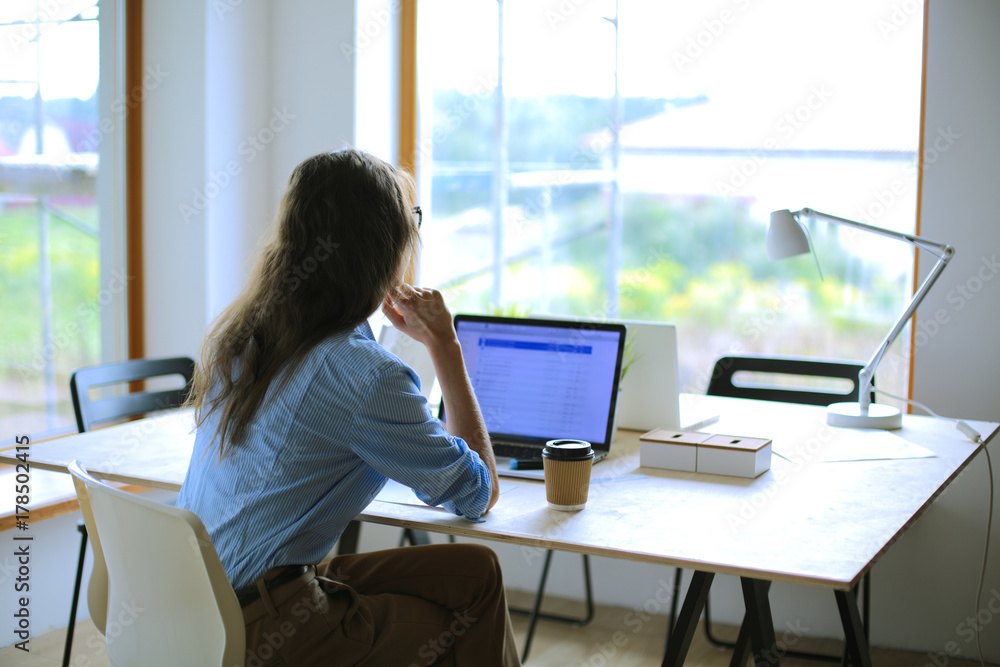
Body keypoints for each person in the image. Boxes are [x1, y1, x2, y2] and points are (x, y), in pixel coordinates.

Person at [176, 148, 521, 667]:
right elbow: (477, 492)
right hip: (262, 625)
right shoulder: (365, 375)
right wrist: (445, 347)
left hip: (196, 603)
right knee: (466, 612)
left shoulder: (248, 334)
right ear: (385, 247)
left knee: (476, 571)